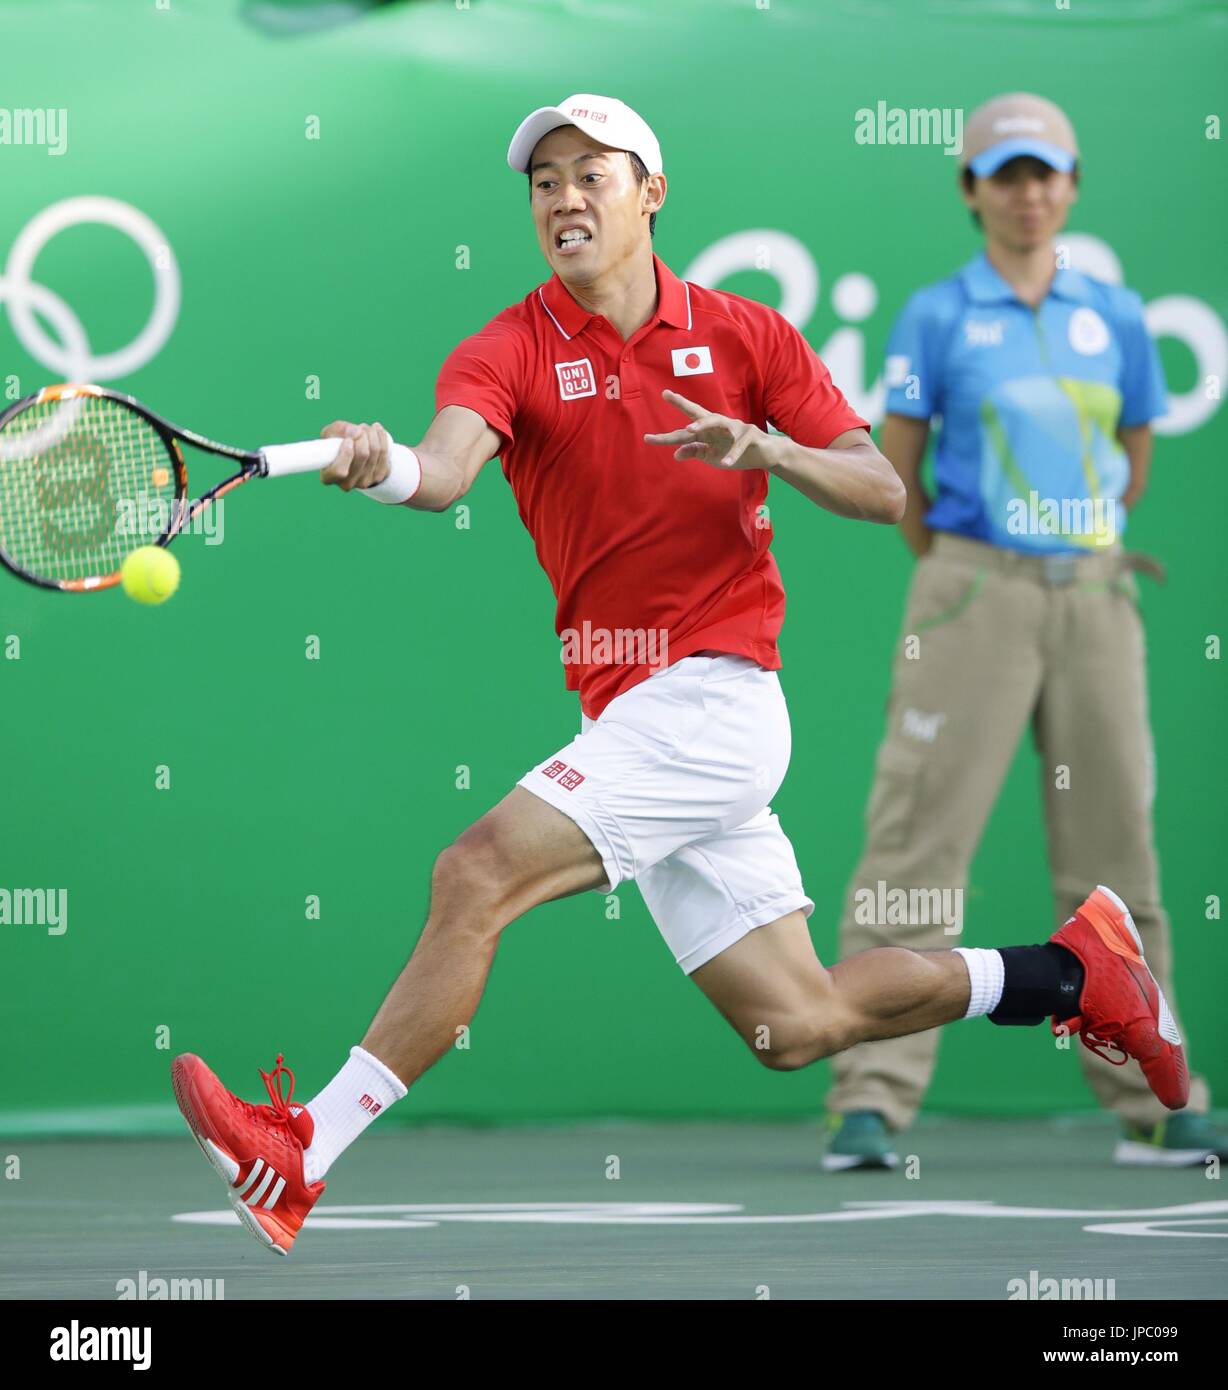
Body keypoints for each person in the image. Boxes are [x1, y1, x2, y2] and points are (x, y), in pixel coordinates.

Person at [170, 94, 1188, 1255]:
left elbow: (882, 487)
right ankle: (1070, 973)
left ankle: (305, 1147)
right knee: (798, 1021)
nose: (564, 198)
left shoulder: (748, 337)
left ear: (650, 194)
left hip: (715, 698)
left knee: (476, 873)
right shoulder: (505, 347)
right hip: (633, 712)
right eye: (544, 181)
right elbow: (444, 471)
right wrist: (379, 464)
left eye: (591, 175)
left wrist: (768, 447)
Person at [824, 93, 1221, 1172]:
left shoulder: (1116, 314)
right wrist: (967, 576)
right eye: (1004, 174)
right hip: (970, 591)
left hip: (1095, 595)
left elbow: (1133, 454)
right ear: (970, 190)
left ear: (1073, 183)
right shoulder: (934, 316)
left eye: (1045, 172)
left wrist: (1073, 553)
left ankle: (1155, 1098)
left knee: (1115, 855)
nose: (1028, 192)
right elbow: (891, 467)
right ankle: (869, 1099)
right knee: (916, 845)